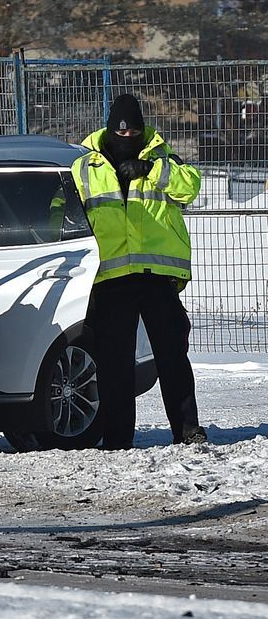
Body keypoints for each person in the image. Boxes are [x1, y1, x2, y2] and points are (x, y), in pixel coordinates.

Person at [72, 93, 207, 449]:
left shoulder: (163, 159)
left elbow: (191, 187)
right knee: (115, 363)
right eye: (121, 132)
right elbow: (65, 211)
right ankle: (118, 438)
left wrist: (151, 170)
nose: (127, 138)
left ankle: (187, 430)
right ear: (109, 129)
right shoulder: (84, 167)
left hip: (157, 275)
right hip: (112, 278)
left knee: (171, 355)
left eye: (133, 132)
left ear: (142, 129)